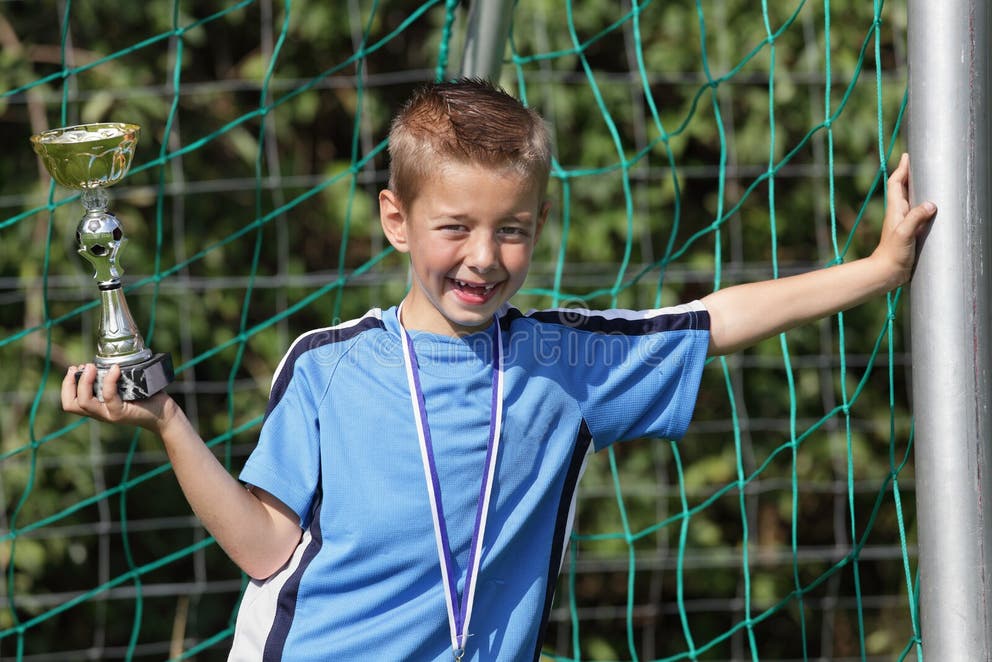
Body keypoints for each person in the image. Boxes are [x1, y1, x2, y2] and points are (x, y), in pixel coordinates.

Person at [61, 78, 937, 661]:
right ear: (397, 220)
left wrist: (879, 269)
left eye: (512, 230)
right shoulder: (327, 370)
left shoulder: (560, 360)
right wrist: (170, 422)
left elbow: (715, 319)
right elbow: (264, 549)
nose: (484, 257)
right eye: (456, 228)